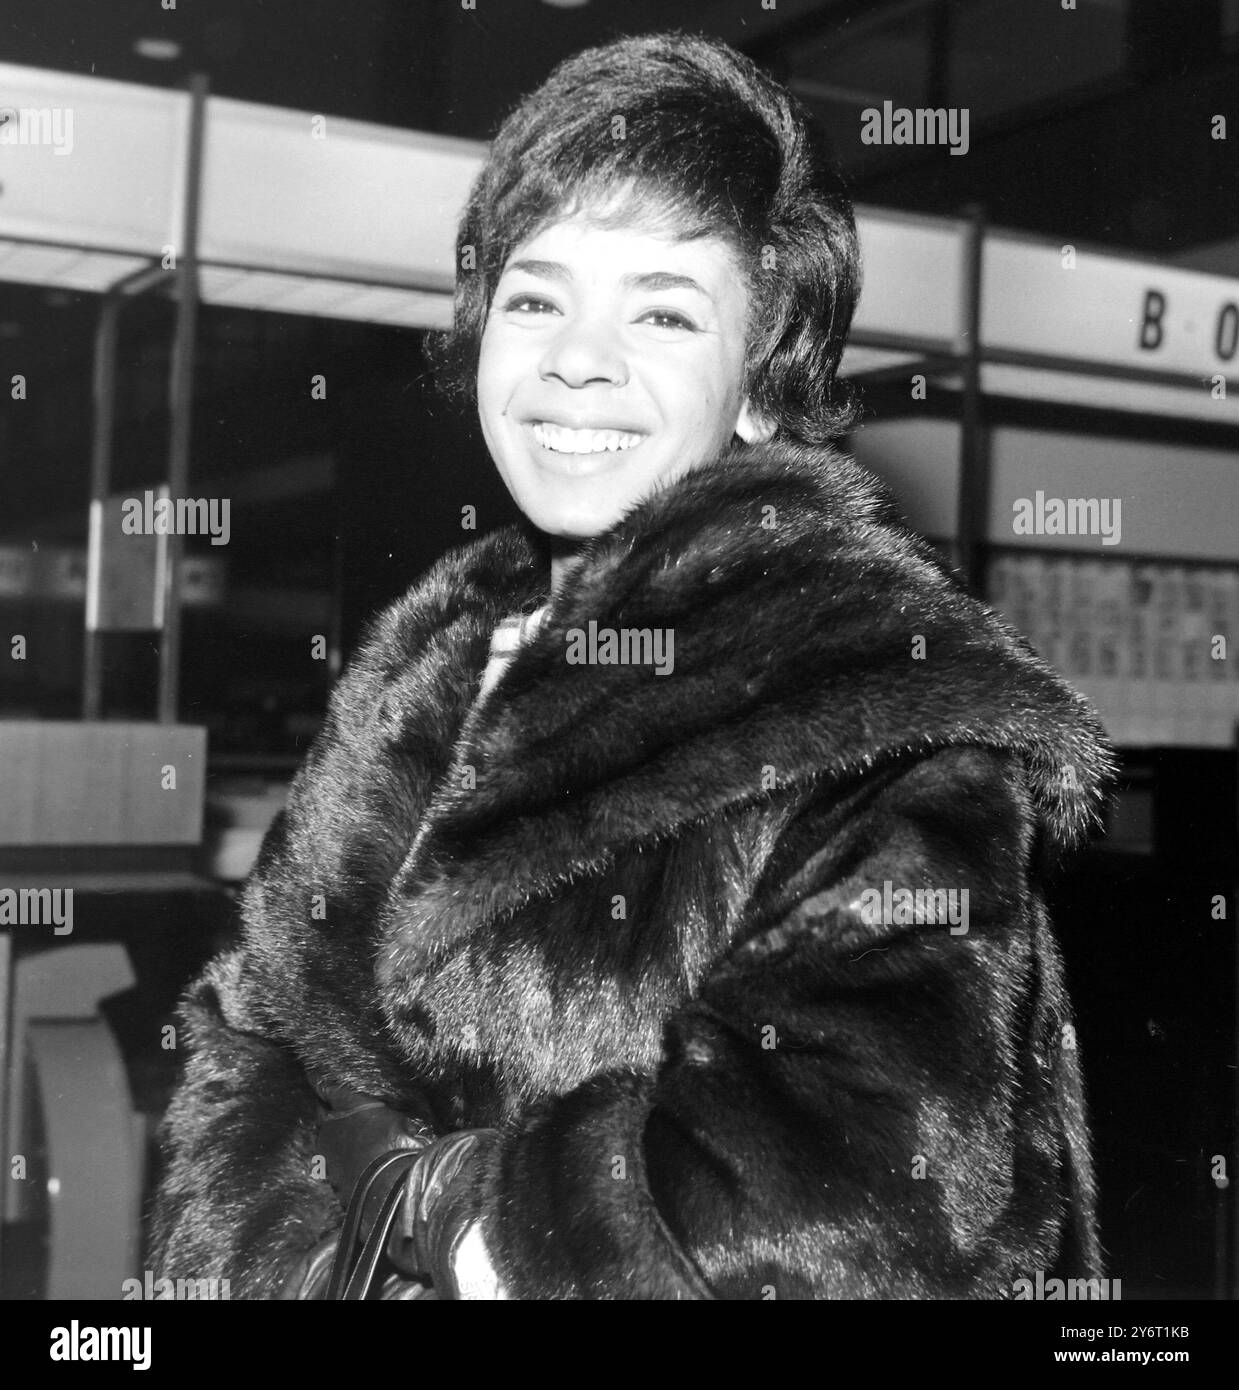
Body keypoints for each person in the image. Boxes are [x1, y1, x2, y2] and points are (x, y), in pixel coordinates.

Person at [151, 31, 1114, 1300]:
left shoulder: (866, 709)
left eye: (662, 310)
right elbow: (251, 1047)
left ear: (764, 387)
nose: (575, 358)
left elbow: (852, 1195)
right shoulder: (413, 686)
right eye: (537, 295)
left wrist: (443, 1209)